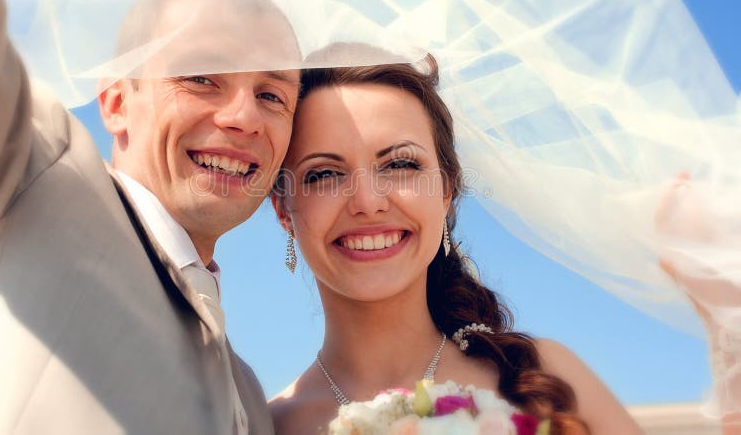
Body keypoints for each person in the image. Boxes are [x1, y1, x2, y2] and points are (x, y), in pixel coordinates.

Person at [0, 0, 299, 434]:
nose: (244, 116)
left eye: (272, 95)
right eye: (201, 76)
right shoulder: (24, 175)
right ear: (114, 102)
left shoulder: (249, 392)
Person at [269, 44, 642, 434]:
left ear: (446, 191)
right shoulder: (266, 424)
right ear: (283, 210)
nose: (368, 202)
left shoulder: (543, 380)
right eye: (324, 174)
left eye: (400, 164)